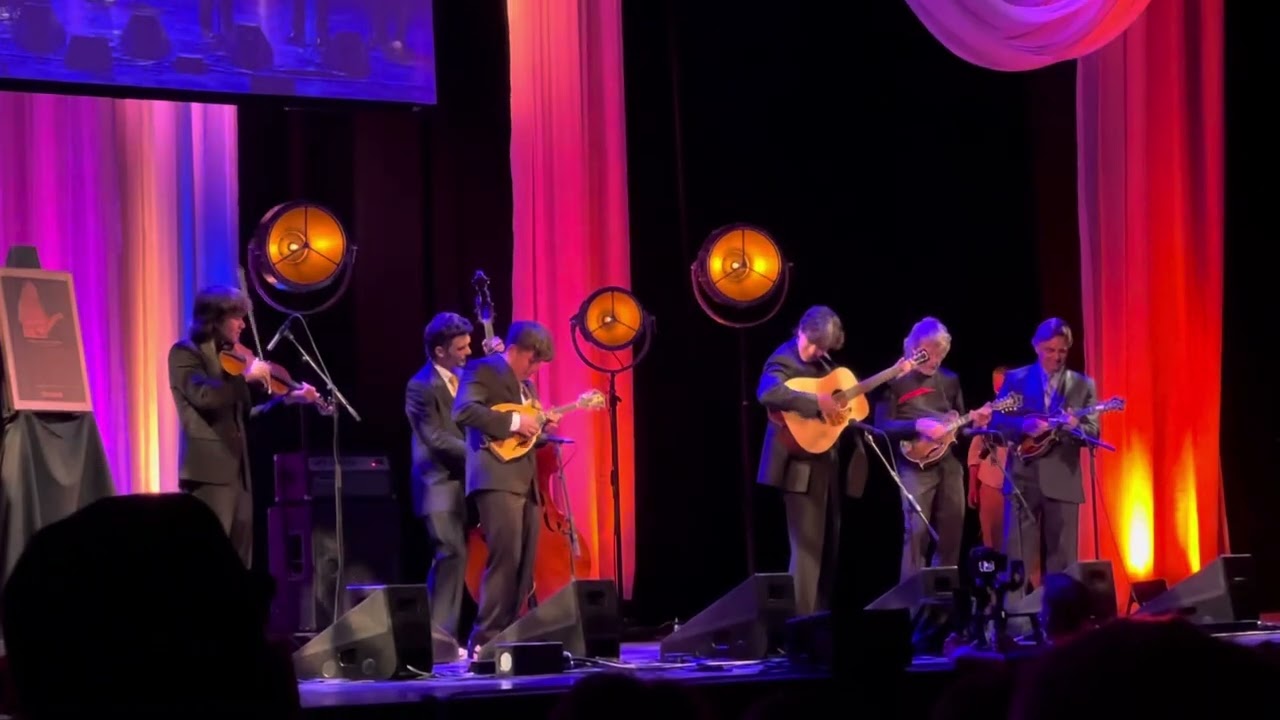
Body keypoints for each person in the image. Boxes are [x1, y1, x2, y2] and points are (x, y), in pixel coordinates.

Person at [756, 306, 910, 616]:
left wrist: (890, 377)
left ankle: (819, 622)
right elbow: (768, 392)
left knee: (829, 550)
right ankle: (800, 625)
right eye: (813, 343)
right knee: (807, 553)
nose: (816, 352)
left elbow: (850, 400)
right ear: (801, 330)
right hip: (798, 469)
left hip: (828, 463)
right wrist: (817, 402)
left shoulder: (826, 365)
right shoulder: (783, 358)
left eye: (823, 347)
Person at [168, 285, 325, 568]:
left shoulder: (231, 360)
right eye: (236, 317)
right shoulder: (185, 353)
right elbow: (205, 397)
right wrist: (245, 377)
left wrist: (287, 400)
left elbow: (246, 415)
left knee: (239, 565)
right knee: (208, 561)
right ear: (215, 318)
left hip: (240, 476)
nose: (242, 324)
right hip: (208, 475)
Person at [453, 320, 559, 657]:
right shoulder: (482, 369)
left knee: (525, 561)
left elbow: (527, 438)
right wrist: (514, 421)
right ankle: (484, 638)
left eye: (539, 363)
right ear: (512, 350)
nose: (534, 368)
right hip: (495, 476)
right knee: (506, 556)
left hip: (526, 480)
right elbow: (464, 410)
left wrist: (542, 428)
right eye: (531, 360)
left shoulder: (527, 387)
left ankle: (509, 635)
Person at [405, 312, 502, 649]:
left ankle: (442, 638)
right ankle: (438, 641)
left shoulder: (468, 378)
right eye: (461, 348)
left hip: (467, 483)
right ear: (439, 351)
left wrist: (499, 363)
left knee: (462, 557)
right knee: (450, 553)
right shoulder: (420, 386)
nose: (468, 352)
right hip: (438, 485)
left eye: (468, 345)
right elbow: (435, 438)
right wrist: (482, 452)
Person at [875, 317, 991, 581]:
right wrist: (917, 425)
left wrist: (975, 423)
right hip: (913, 465)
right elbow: (881, 426)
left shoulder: (950, 380)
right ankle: (912, 599)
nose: (935, 361)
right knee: (916, 533)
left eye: (941, 354)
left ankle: (943, 596)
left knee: (952, 532)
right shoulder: (895, 381)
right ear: (914, 348)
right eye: (930, 354)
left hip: (949, 464)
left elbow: (960, 426)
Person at [991, 318, 1098, 588]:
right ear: (1036, 347)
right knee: (1016, 560)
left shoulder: (1083, 385)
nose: (1057, 357)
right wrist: (1022, 425)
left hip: (1063, 481)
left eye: (1062, 351)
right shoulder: (1016, 379)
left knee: (1063, 566)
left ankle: (1061, 615)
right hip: (1022, 479)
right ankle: (1014, 614)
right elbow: (996, 422)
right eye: (1050, 350)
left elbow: (1094, 433)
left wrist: (1075, 426)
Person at [967, 366, 1010, 549]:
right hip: (990, 483)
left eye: (1003, 386)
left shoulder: (1024, 413)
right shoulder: (984, 414)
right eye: (996, 387)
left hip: (1016, 484)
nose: (999, 392)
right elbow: (974, 454)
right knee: (991, 541)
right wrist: (972, 486)